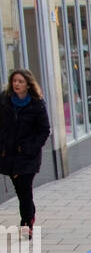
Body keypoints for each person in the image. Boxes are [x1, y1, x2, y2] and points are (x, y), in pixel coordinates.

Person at [0, 68, 51, 237]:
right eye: (14, 81)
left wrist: (30, 147)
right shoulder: (4, 100)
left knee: (24, 188)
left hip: (28, 155)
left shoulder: (36, 104)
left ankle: (27, 222)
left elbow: (44, 130)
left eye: (20, 81)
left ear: (28, 84)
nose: (16, 84)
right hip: (9, 154)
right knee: (21, 190)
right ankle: (30, 214)